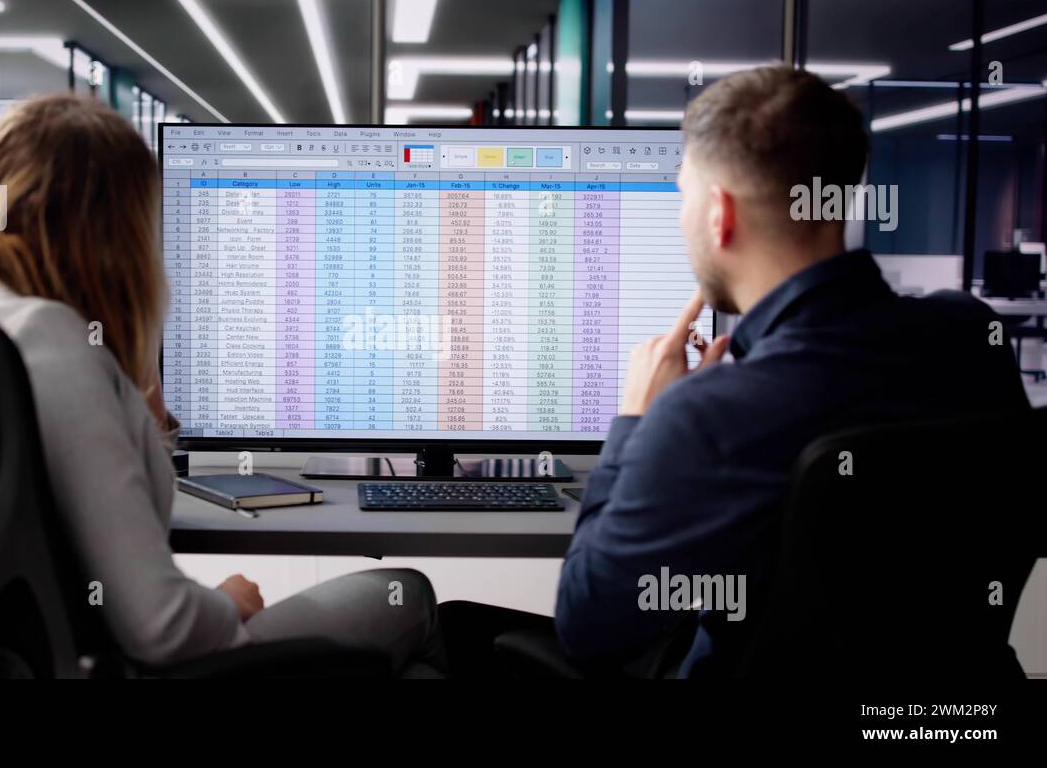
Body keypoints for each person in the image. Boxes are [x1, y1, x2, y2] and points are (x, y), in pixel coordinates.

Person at [441, 65, 1029, 678]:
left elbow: (590, 627)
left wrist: (640, 420)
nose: (679, 220)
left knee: (451, 632)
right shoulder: (970, 335)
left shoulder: (712, 414)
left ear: (719, 213)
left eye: (682, 196)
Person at [0, 94, 444, 677]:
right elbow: (163, 625)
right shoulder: (56, 347)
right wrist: (228, 602)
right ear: (116, 232)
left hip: (33, 657)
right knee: (411, 596)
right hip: (150, 666)